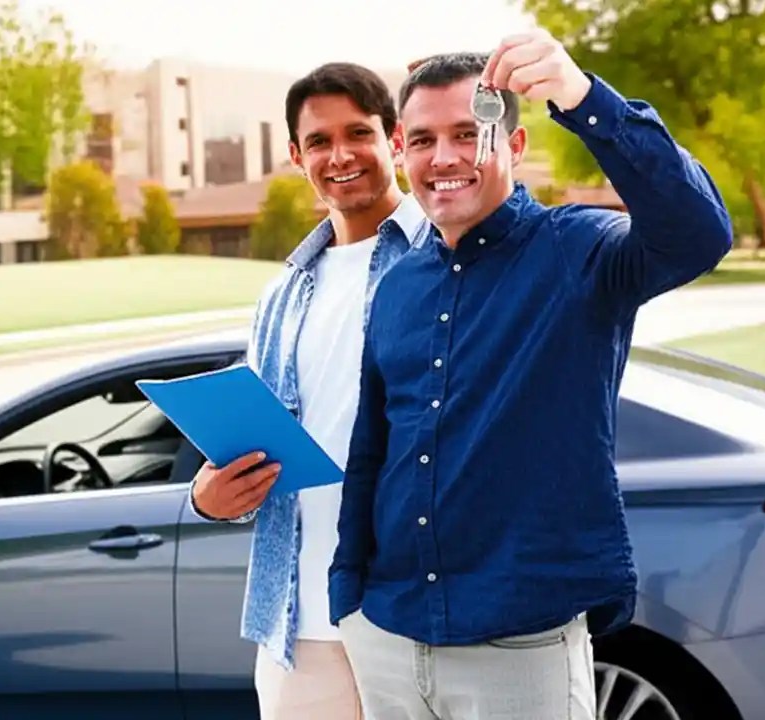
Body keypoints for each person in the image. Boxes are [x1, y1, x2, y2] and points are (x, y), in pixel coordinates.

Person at [329, 30, 733, 720]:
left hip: (519, 648)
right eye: (423, 140)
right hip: (389, 638)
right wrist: (350, 598)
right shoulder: (397, 285)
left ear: (513, 144)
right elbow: (373, 450)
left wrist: (582, 98)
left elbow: (697, 232)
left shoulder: (577, 250)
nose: (444, 157)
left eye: (467, 133)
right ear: (401, 151)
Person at [187, 61, 431, 719]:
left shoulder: (444, 258)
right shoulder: (282, 293)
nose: (340, 155)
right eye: (319, 141)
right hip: (297, 622)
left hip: (412, 613)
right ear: (297, 157)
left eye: (358, 133)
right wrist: (211, 497)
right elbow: (252, 441)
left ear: (394, 139)